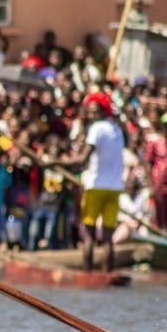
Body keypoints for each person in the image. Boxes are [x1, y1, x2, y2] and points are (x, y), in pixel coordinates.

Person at [52, 92, 125, 271]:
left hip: (96, 188)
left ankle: (87, 274)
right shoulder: (117, 130)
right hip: (114, 189)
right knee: (108, 238)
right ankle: (108, 274)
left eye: (93, 111)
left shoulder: (97, 128)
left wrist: (54, 162)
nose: (90, 115)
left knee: (90, 235)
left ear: (102, 110)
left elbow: (82, 159)